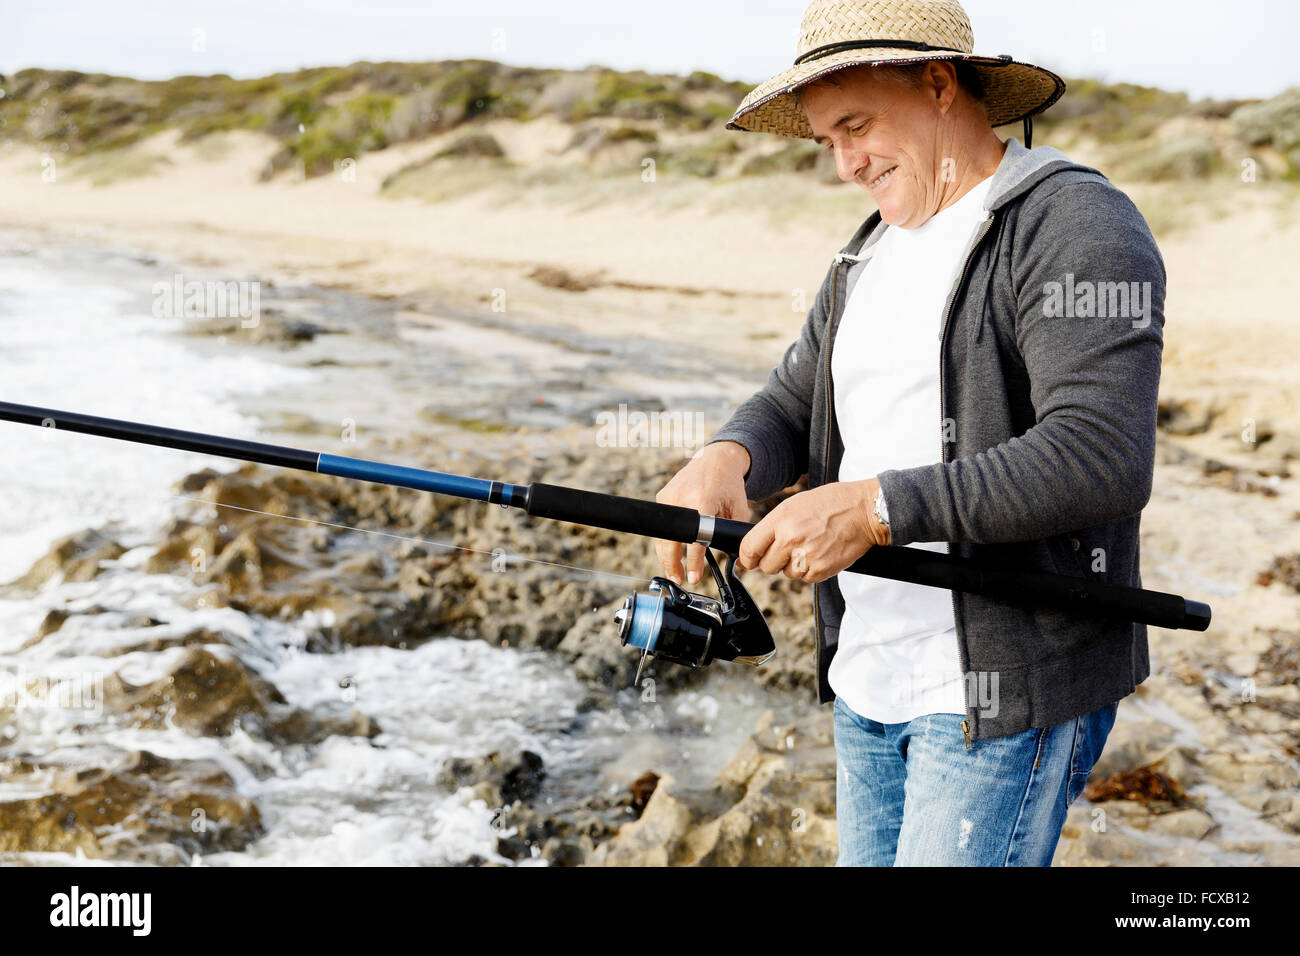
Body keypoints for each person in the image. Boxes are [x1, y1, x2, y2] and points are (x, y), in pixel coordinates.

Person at [653, 0, 1165, 866]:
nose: (847, 165)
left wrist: (872, 511)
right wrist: (726, 454)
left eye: (857, 126)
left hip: (999, 695)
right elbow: (794, 394)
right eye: (827, 142)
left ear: (938, 83)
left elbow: (1099, 455)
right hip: (868, 675)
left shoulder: (1075, 222)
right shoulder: (871, 249)